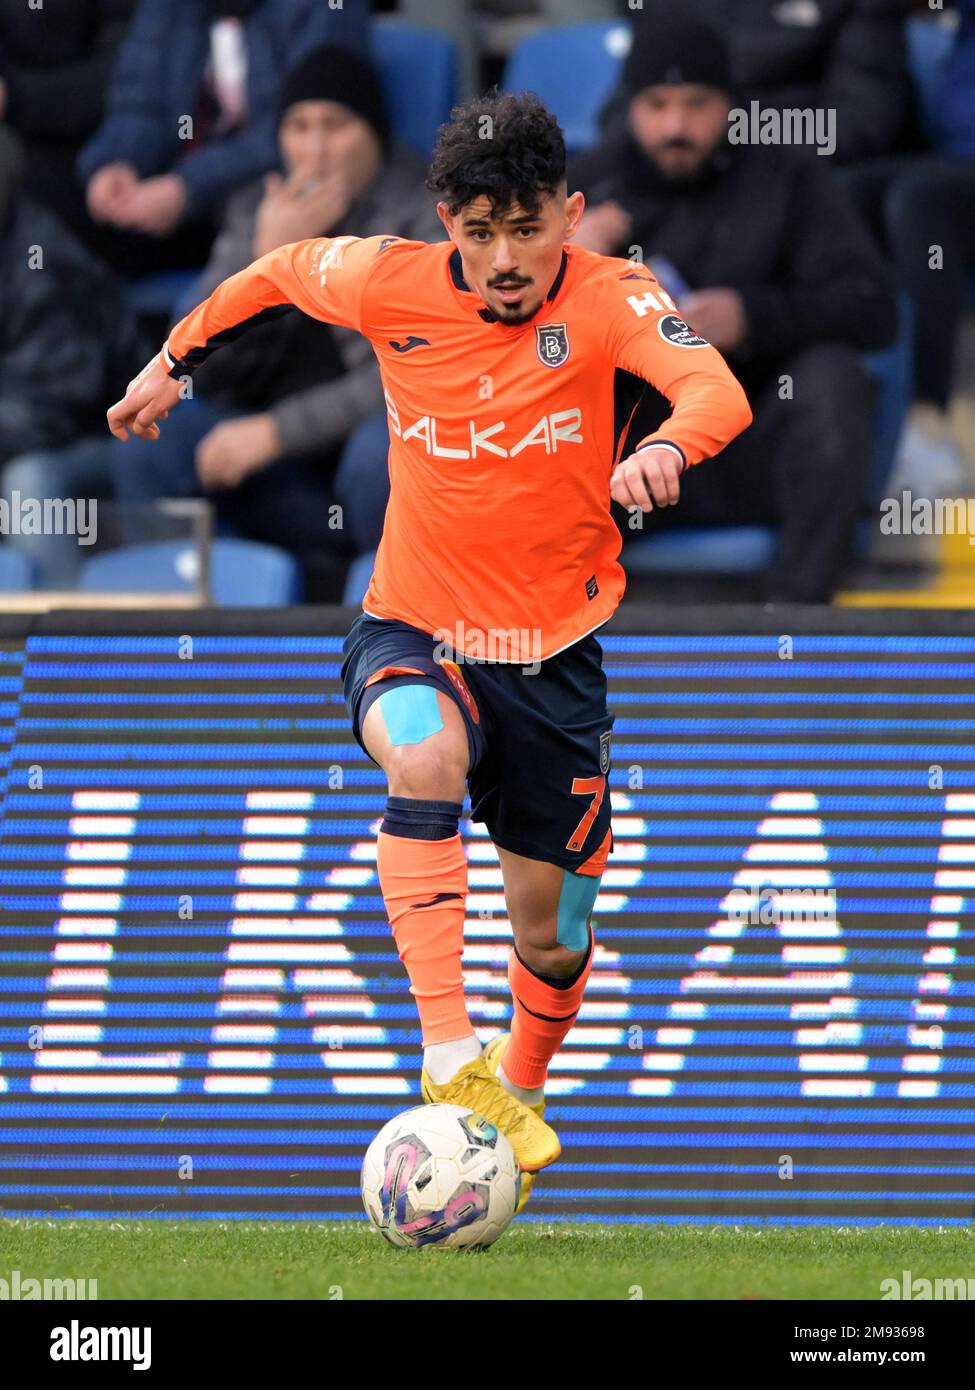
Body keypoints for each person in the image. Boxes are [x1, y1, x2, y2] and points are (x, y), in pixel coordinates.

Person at [106, 91, 752, 1211]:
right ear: (445, 218)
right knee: (422, 760)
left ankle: (512, 1090)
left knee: (552, 942)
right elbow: (274, 272)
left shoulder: (612, 298)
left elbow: (716, 387)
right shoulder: (389, 279)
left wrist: (665, 448)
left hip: (554, 655)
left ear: (574, 212)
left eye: (531, 227)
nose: (507, 258)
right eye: (481, 229)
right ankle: (448, 1048)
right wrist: (175, 362)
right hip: (414, 621)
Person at [571, 14, 899, 602]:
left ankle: (798, 621)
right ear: (630, 107)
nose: (676, 125)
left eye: (698, 103)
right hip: (628, 460)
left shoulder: (787, 175)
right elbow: (499, 330)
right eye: (656, 104)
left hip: (755, 447)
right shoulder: (587, 188)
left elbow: (872, 307)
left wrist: (752, 315)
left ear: (730, 104)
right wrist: (565, 268)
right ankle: (541, 632)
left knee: (831, 379)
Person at [111, 43, 444, 591]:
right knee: (156, 439)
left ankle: (393, 614)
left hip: (354, 441)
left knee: (381, 454)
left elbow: (407, 369)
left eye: (335, 126)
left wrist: (276, 432)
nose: (314, 150)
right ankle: (170, 624)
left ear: (374, 133)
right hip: (269, 443)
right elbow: (199, 360)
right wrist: (264, 258)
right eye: (298, 127)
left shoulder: (425, 215)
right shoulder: (263, 208)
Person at [76, 0, 371, 276]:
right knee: (71, 230)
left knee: (249, 262)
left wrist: (189, 187)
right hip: (169, 190)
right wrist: (119, 161)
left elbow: (303, 129)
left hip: (269, 185)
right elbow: (140, 98)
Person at [0, 128, 147, 587]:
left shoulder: (42, 263)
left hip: (111, 440)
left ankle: (55, 650)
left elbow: (51, 409)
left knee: (29, 485)